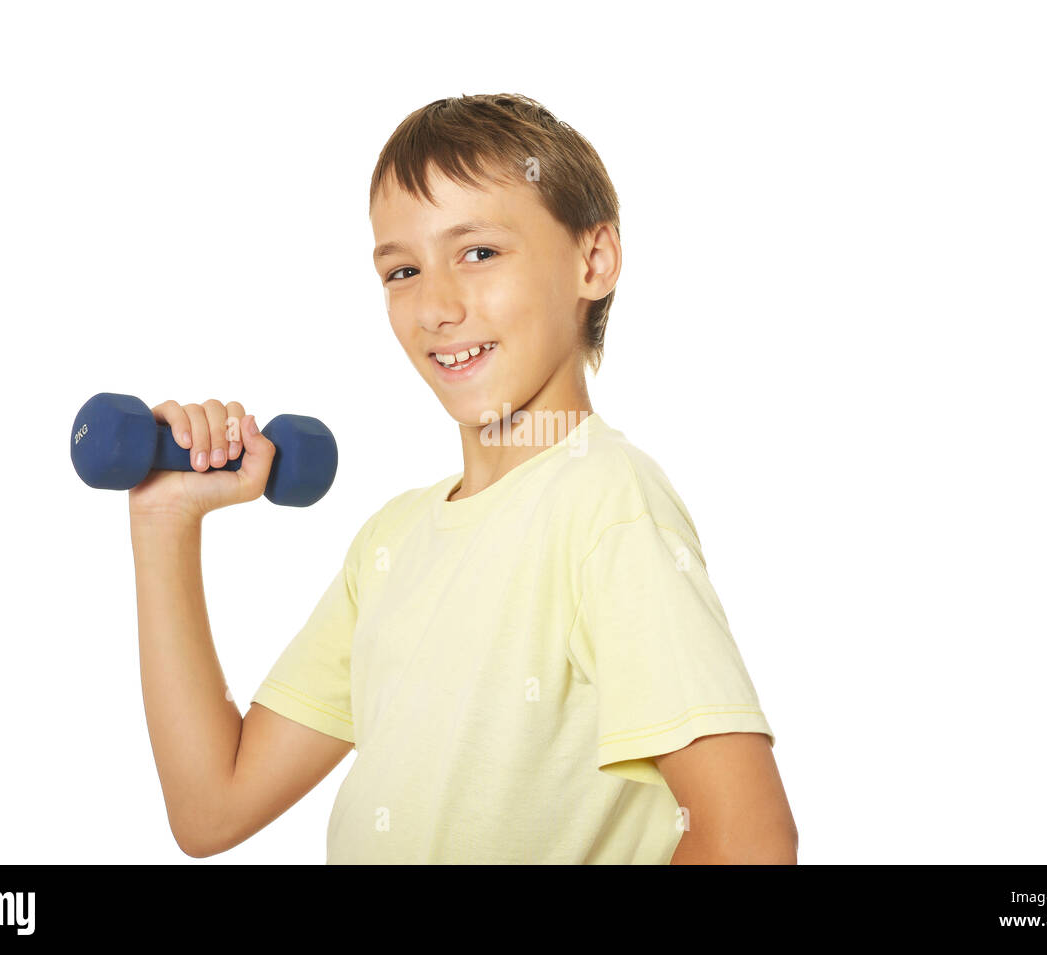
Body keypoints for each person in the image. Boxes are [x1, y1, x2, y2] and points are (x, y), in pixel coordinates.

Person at [128, 93, 797, 864]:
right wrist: (164, 522)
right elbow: (212, 808)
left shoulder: (605, 504)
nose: (436, 307)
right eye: (402, 270)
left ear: (593, 260)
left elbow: (749, 837)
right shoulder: (392, 541)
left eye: (479, 252)